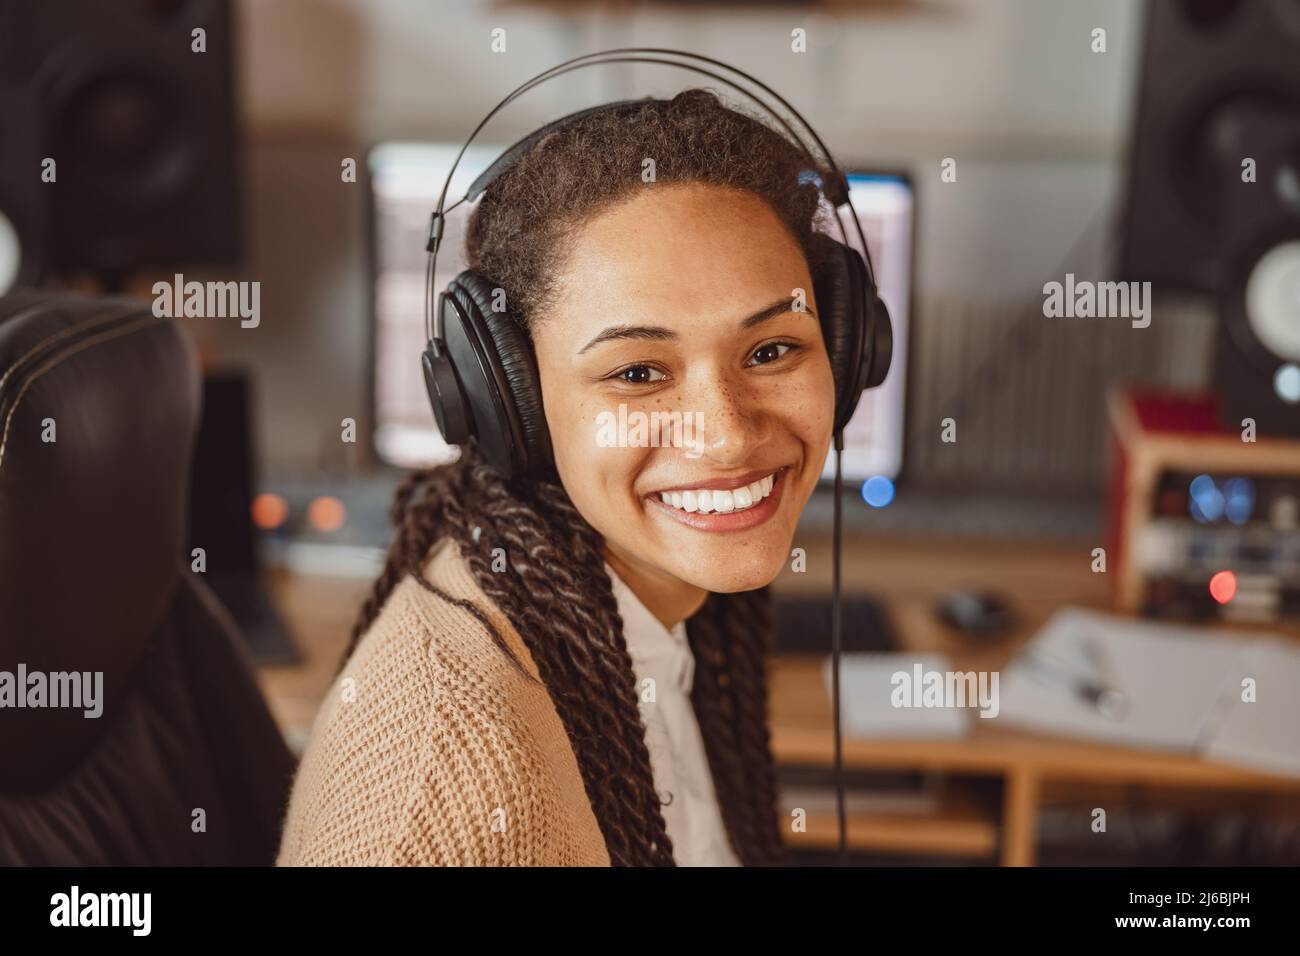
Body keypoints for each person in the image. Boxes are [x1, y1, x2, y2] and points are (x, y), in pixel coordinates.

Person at [276, 89, 841, 866]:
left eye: (773, 349)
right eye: (639, 371)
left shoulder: (666, 609)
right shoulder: (445, 802)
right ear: (509, 405)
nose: (726, 435)